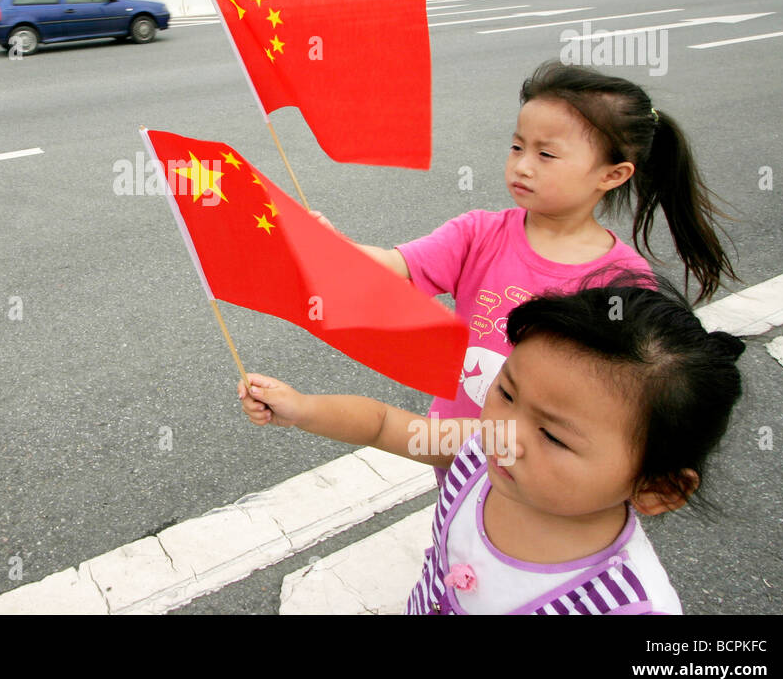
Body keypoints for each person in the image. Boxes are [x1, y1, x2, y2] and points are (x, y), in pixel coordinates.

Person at [238, 281, 745, 614]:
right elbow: (383, 424)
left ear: (659, 488)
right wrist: (301, 408)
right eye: (505, 392)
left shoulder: (625, 605)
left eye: (552, 435)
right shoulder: (482, 449)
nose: (507, 432)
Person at [310, 60, 737, 424]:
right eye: (517, 147)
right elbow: (395, 266)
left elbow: (621, 394)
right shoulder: (478, 233)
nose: (523, 166)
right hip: (452, 444)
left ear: (613, 175)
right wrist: (328, 246)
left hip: (537, 471)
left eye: (545, 154)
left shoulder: (625, 284)